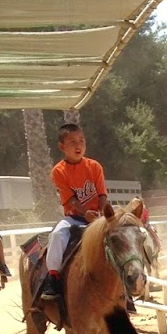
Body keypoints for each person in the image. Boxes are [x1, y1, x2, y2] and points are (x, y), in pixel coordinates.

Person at [42, 123, 114, 303]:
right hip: (74, 218)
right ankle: (53, 278)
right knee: (58, 234)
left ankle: (124, 283)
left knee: (120, 236)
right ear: (61, 147)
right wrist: (85, 212)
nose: (78, 145)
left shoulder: (94, 166)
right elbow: (70, 199)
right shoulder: (59, 171)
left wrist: (102, 213)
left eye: (81, 141)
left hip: (98, 217)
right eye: (72, 142)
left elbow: (102, 193)